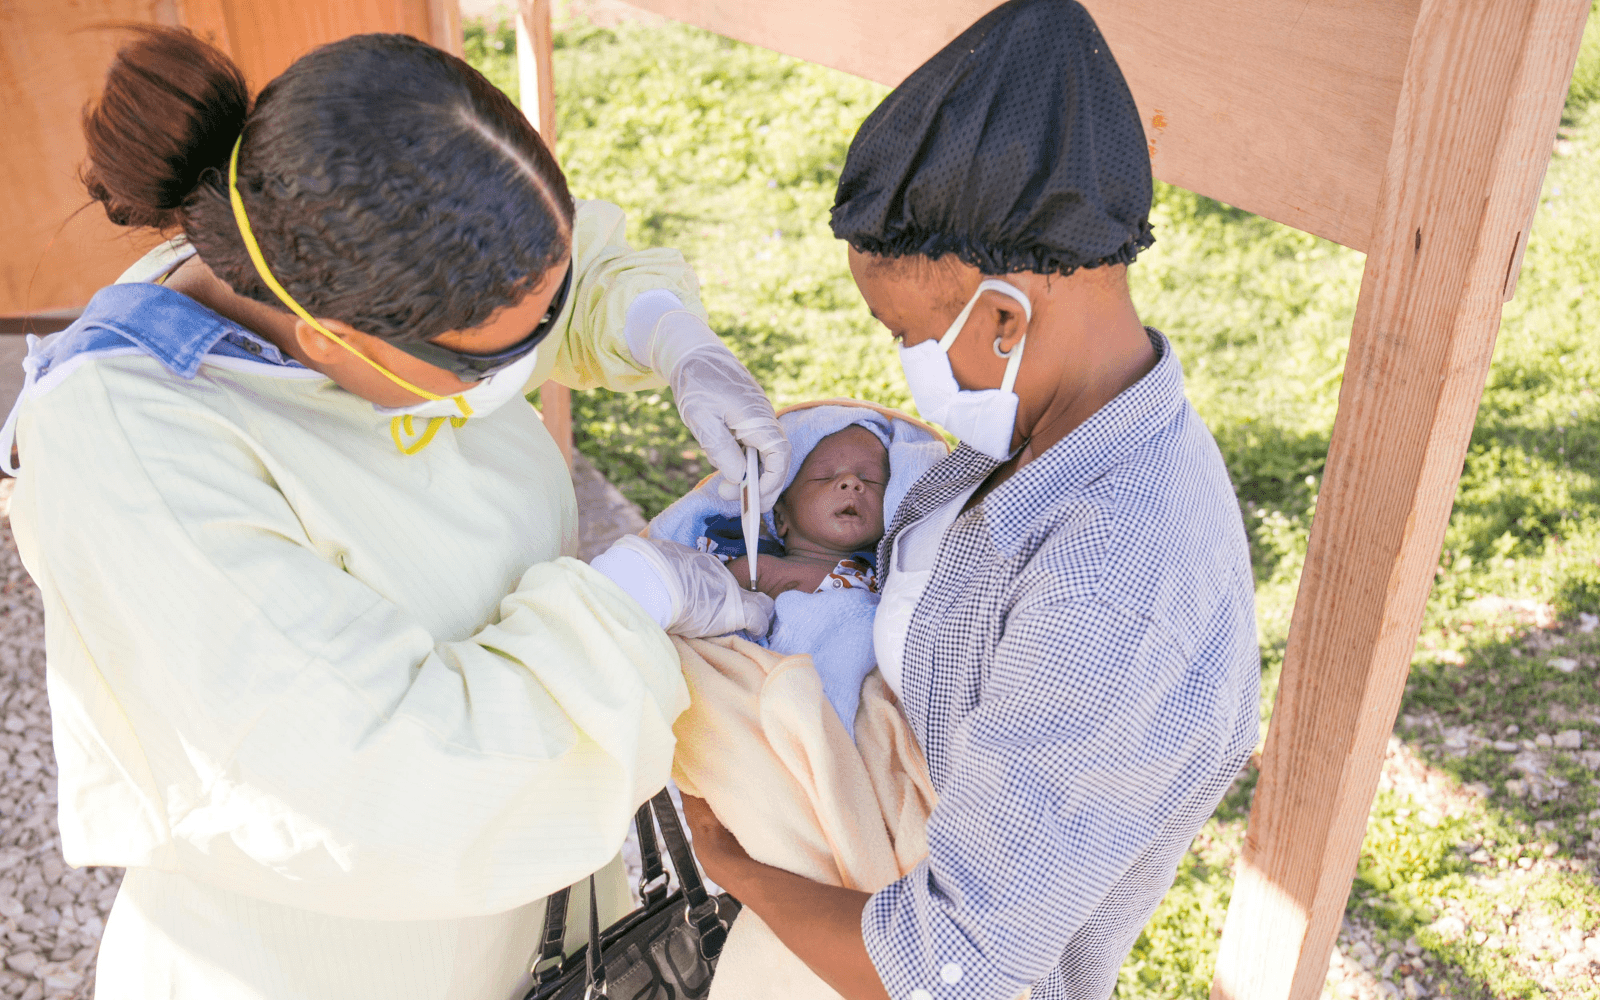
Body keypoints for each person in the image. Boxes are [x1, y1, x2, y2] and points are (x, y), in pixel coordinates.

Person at [5, 27, 788, 1000]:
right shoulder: (127, 450)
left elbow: (541, 279)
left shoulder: (335, 253)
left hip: (539, 927)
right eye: (487, 359)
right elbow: (397, 788)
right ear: (333, 340)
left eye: (538, 328)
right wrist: (630, 597)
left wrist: (663, 333)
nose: (522, 364)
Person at [678, 3, 1261, 999]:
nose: (901, 362)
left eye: (902, 332)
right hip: (834, 897)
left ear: (1002, 318)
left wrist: (731, 864)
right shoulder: (1046, 421)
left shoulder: (1109, 589)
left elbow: (950, 969)